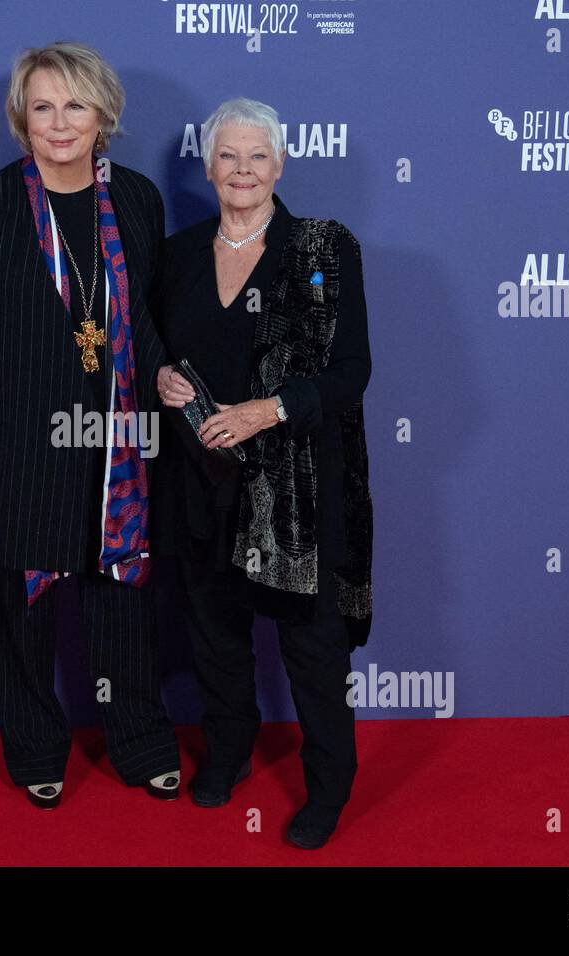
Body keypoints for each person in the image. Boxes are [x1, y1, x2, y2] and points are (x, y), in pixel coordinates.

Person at [0, 41, 181, 810]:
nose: (60, 124)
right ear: (22, 117)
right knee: (19, 599)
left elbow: (144, 317)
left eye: (76, 106)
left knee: (122, 597)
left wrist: (165, 377)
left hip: (117, 440)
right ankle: (32, 750)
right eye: (44, 107)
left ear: (104, 116)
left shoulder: (137, 201)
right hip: (17, 438)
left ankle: (143, 740)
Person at [150, 97, 374, 848]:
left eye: (257, 157)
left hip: (296, 490)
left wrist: (267, 410)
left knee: (312, 652)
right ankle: (228, 755)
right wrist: (161, 379)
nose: (242, 170)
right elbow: (157, 347)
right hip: (200, 479)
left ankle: (328, 792)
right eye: (227, 156)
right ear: (208, 167)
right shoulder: (177, 255)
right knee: (214, 636)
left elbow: (352, 373)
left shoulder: (321, 248)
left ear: (279, 165)